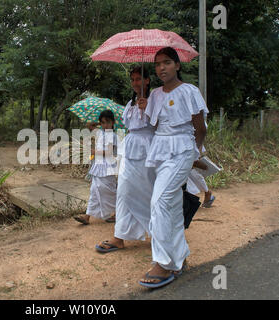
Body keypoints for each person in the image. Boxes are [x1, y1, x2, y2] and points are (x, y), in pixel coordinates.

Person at [139, 47, 208, 288]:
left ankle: (163, 262)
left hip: (183, 149)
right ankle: (179, 258)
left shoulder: (189, 91)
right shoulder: (156, 94)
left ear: (177, 66)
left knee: (159, 201)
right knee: (172, 204)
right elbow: (155, 124)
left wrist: (195, 152)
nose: (161, 68)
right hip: (161, 150)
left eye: (167, 62)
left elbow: (200, 128)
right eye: (157, 64)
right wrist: (143, 107)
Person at [95, 66, 156, 252]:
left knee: (149, 193)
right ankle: (119, 236)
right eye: (133, 79)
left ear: (147, 80)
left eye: (139, 79)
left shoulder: (156, 99)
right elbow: (129, 126)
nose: (136, 82)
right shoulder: (130, 104)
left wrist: (150, 109)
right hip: (130, 148)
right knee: (124, 190)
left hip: (150, 149)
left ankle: (158, 233)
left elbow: (162, 124)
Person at [74, 110, 118, 225]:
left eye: (108, 122)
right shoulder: (100, 133)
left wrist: (95, 151)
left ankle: (117, 213)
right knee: (94, 190)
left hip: (107, 168)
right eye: (103, 122)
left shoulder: (113, 136)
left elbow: (109, 152)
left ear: (113, 122)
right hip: (98, 167)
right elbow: (88, 126)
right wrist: (95, 125)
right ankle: (87, 216)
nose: (105, 125)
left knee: (110, 191)